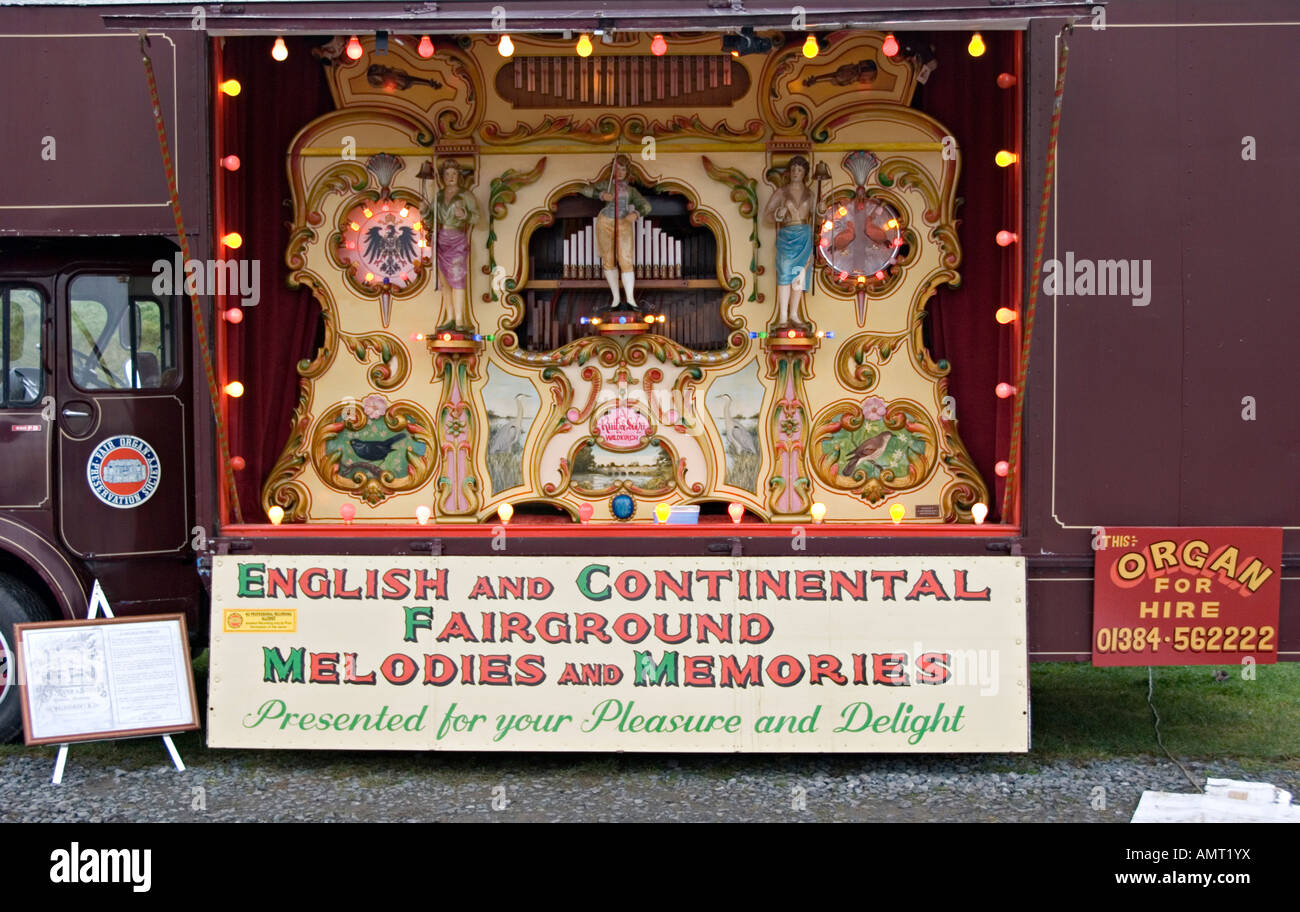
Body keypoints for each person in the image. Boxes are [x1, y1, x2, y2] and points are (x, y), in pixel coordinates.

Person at [582, 154, 652, 310]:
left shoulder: (631, 191)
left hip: (624, 222)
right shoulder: (606, 185)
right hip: (605, 222)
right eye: (617, 169)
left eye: (623, 169)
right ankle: (615, 299)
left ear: (627, 171)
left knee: (626, 259)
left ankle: (631, 299)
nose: (619, 172)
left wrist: (635, 214)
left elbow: (646, 206)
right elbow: (585, 189)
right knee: (608, 259)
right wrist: (600, 195)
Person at [763, 155, 815, 329]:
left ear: (804, 173)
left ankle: (794, 313)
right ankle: (783, 316)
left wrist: (821, 211)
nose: (795, 172)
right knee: (785, 272)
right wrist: (779, 213)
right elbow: (767, 216)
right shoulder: (781, 192)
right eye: (793, 169)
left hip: (804, 234)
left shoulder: (810, 193)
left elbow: (818, 217)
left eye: (799, 170)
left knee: (799, 274)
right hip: (787, 235)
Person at [431, 159, 479, 332]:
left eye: (454, 174)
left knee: (457, 278)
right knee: (444, 281)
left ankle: (460, 320)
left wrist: (464, 214)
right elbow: (431, 218)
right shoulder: (438, 196)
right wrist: (424, 211)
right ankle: (450, 317)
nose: (450, 177)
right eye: (447, 174)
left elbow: (476, 218)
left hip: (457, 238)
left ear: (458, 176)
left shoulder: (466, 195)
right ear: (442, 177)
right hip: (441, 238)